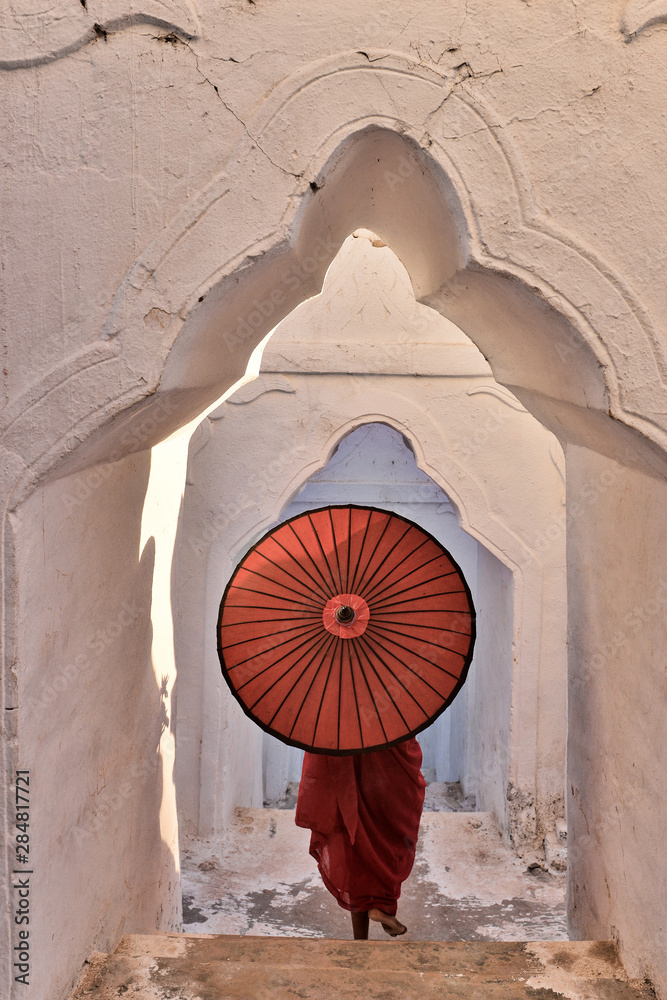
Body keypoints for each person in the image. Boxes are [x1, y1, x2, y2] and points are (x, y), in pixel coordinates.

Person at [295, 736, 426, 939]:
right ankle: (382, 904)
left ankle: (360, 939)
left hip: (346, 754)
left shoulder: (334, 709)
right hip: (386, 760)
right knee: (385, 834)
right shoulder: (392, 706)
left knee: (353, 842)